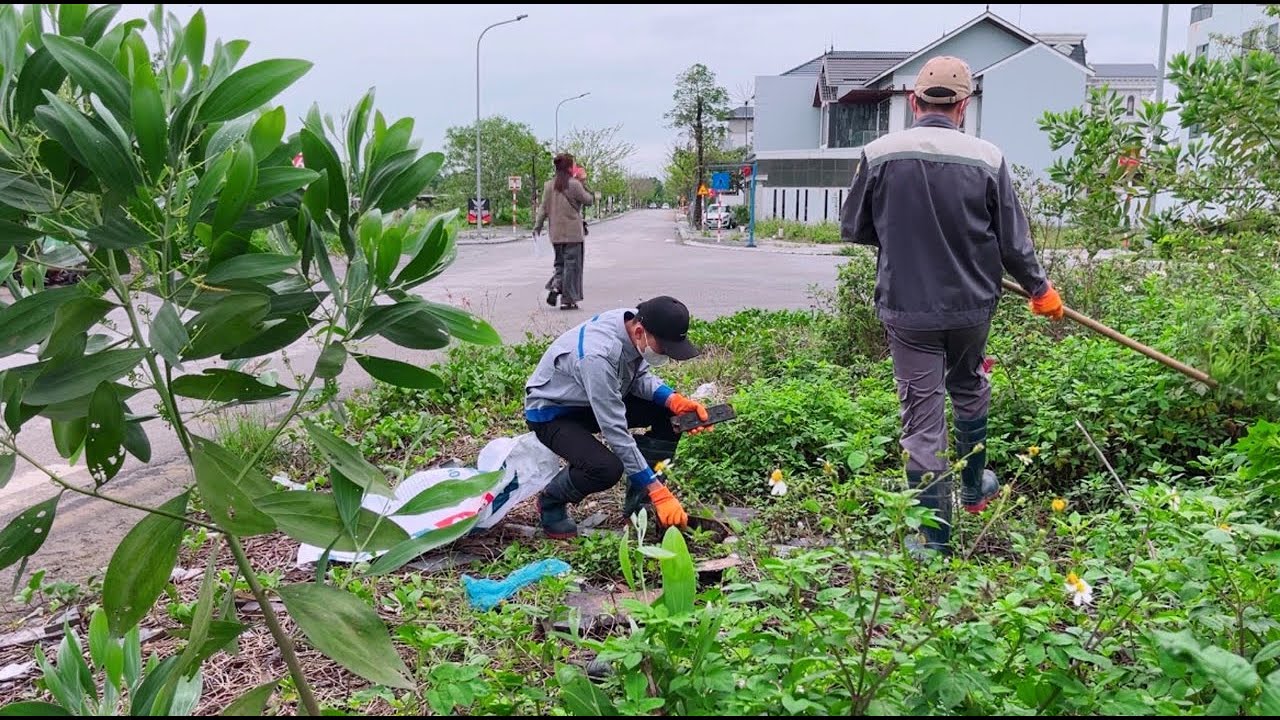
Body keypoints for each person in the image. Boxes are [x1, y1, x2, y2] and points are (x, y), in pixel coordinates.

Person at [839, 55, 1065, 556]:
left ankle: (931, 538)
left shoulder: (879, 153)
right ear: (963, 105)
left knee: (922, 418)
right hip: (971, 308)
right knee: (969, 385)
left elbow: (854, 227)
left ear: (915, 101)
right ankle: (972, 486)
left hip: (908, 311)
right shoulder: (987, 157)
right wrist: (1039, 289)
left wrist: (901, 236)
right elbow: (1013, 241)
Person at [523, 296, 710, 538]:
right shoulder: (597, 357)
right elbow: (615, 431)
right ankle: (551, 501)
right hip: (554, 413)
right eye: (663, 348)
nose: (665, 355)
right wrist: (658, 489)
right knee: (606, 468)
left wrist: (672, 399)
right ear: (641, 331)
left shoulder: (633, 322)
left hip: (592, 398)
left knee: (667, 413)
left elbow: (636, 375)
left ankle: (638, 506)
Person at [535, 153, 594, 311]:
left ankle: (556, 287)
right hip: (573, 234)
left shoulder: (549, 185)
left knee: (560, 264)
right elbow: (589, 200)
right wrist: (583, 181)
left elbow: (542, 209)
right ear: (570, 167)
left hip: (555, 233)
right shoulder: (574, 184)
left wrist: (537, 226)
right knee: (572, 266)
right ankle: (567, 300)